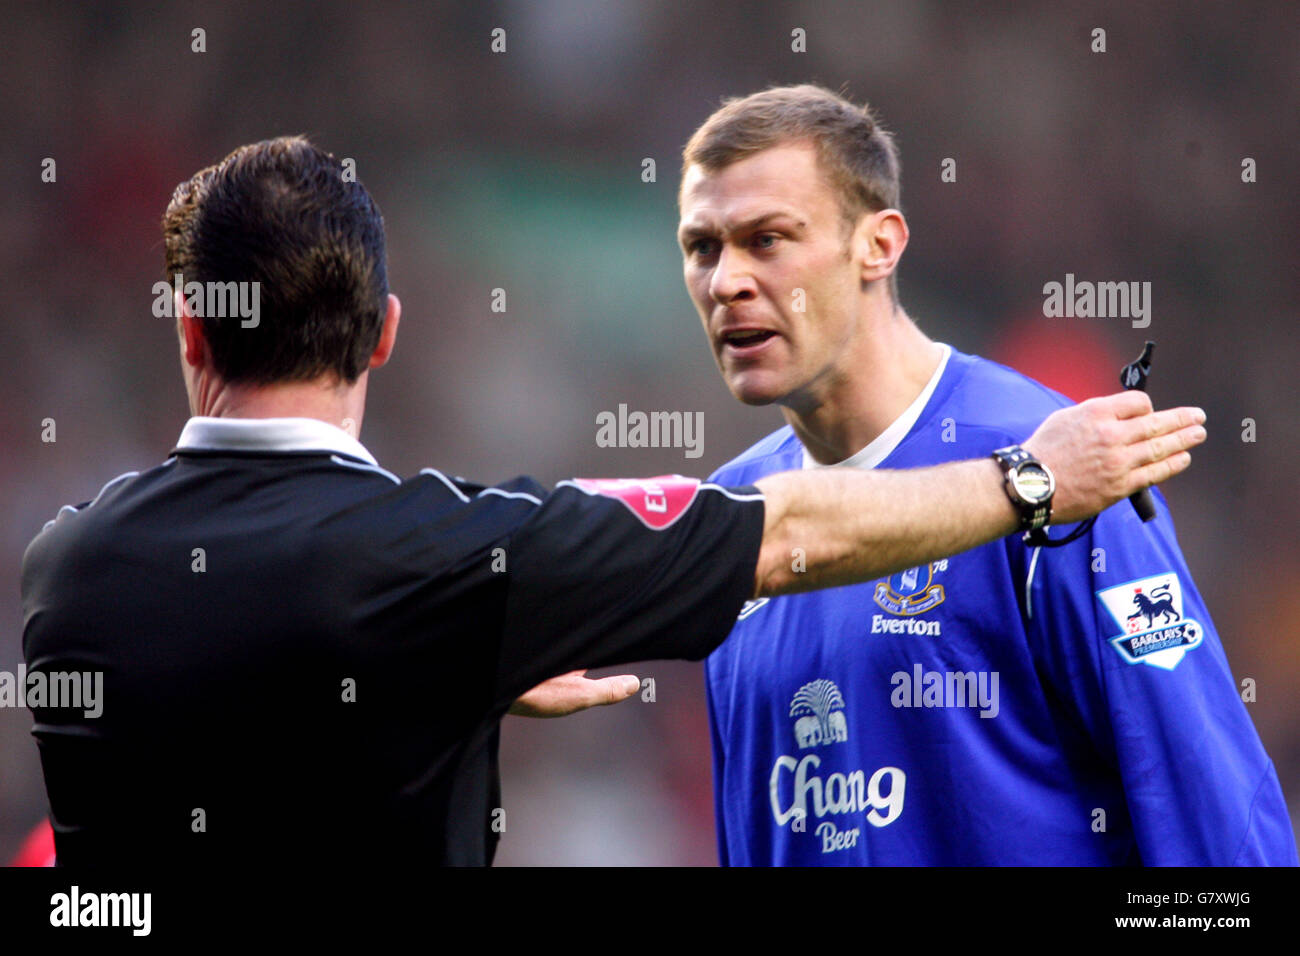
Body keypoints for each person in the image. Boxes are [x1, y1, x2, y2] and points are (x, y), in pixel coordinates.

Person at [20, 136, 1204, 868]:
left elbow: (246, 663)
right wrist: (1032, 476)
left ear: (186, 325)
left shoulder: (64, 566)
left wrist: (437, 671)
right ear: (385, 335)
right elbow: (784, 536)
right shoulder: (439, 555)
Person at [680, 84, 1296, 865]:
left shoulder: (1063, 470)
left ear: (880, 244)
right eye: (702, 247)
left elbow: (1221, 836)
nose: (726, 280)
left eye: (767, 240)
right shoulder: (735, 521)